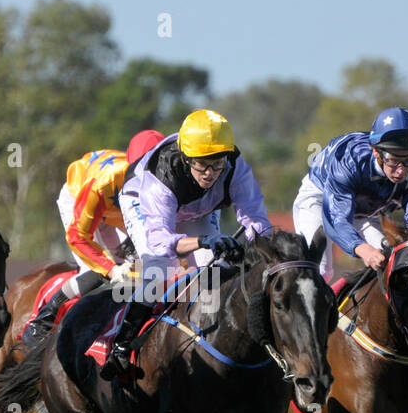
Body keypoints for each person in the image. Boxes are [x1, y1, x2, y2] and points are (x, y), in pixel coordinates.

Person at [103, 109, 272, 380]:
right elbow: (161, 244)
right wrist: (204, 240)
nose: (209, 173)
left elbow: (256, 220)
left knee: (215, 269)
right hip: (143, 200)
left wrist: (265, 253)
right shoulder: (162, 175)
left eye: (217, 164)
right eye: (201, 165)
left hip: (196, 207)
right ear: (185, 157)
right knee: (159, 271)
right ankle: (121, 345)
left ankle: (210, 340)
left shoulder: (235, 164)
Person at [23, 129, 165, 340]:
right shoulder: (105, 183)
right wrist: (111, 270)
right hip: (81, 197)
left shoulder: (168, 179)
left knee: (137, 265)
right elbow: (77, 236)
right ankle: (44, 318)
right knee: (97, 268)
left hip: (118, 208)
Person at [292, 107, 408, 277]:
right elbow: (337, 219)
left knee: (395, 265)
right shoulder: (349, 160)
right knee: (322, 271)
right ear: (376, 152)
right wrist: (363, 249)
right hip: (321, 198)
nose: (401, 171)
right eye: (393, 161)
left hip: (366, 211)